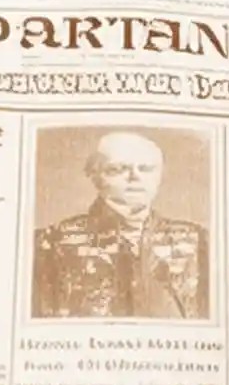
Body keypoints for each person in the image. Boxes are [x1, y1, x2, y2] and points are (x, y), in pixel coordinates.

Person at [31, 131, 208, 320]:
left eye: (146, 168)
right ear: (93, 174)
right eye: (118, 169)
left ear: (160, 175)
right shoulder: (51, 242)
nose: (135, 177)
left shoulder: (197, 241)